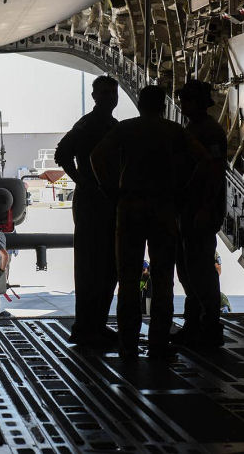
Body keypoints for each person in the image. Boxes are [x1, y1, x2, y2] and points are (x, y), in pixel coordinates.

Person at [91, 85, 206, 360]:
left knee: (127, 280)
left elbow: (97, 157)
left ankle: (127, 345)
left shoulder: (126, 129)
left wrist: (109, 190)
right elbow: (203, 158)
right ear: (163, 106)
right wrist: (183, 189)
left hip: (129, 206)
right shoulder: (174, 131)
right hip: (164, 207)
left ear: (140, 105)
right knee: (163, 280)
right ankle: (158, 345)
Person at [54, 75, 120, 348]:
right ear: (95, 97)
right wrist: (84, 182)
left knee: (107, 267)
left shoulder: (109, 125)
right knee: (92, 266)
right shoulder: (90, 124)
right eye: (105, 93)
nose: (109, 98)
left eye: (112, 93)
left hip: (103, 200)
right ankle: (86, 326)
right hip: (94, 202)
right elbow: (62, 153)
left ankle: (96, 324)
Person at [173, 79, 228, 349]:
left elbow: (215, 171)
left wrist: (206, 207)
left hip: (200, 209)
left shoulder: (209, 131)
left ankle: (208, 326)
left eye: (187, 100)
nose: (183, 105)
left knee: (200, 269)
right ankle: (195, 324)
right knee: (188, 269)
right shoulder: (195, 128)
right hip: (189, 208)